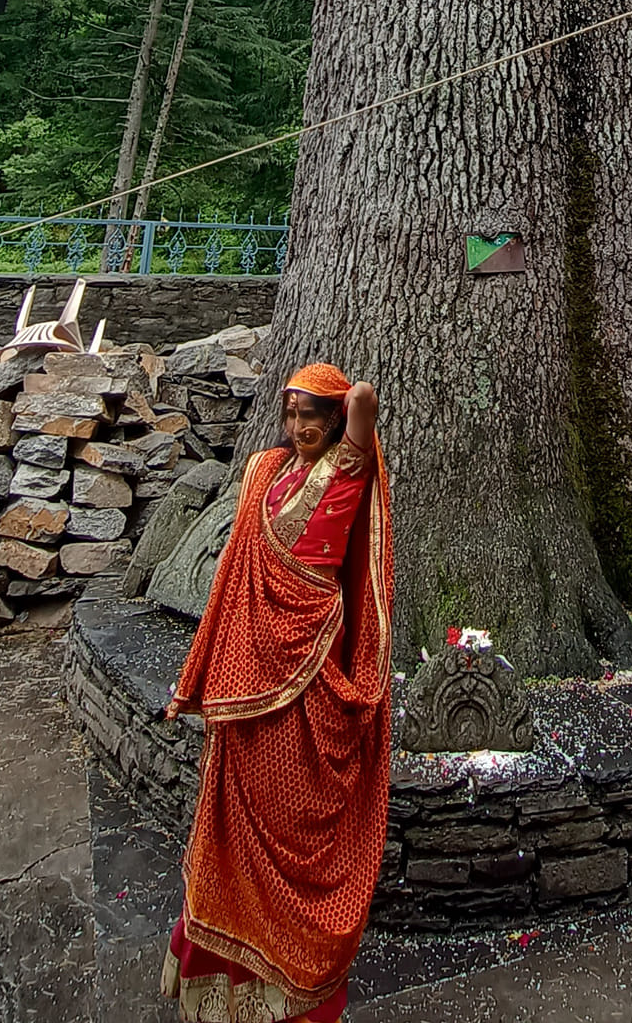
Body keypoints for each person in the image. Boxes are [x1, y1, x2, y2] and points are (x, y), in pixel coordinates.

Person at [161, 364, 393, 1022]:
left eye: (309, 416)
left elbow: (366, 403)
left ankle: (295, 983)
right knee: (237, 820)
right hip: (248, 671)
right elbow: (236, 568)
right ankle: (227, 978)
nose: (298, 428)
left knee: (300, 814)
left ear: (332, 418)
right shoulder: (265, 470)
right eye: (289, 415)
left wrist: (337, 396)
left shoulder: (350, 469)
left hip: (311, 665)